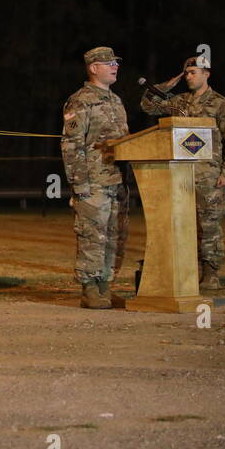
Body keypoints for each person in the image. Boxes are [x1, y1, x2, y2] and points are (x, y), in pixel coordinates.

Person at [140, 55, 225, 291]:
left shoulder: (221, 104)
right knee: (182, 225)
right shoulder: (180, 101)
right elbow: (148, 106)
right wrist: (169, 84)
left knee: (209, 226)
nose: (189, 76)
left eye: (193, 72)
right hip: (179, 175)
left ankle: (211, 274)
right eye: (186, 73)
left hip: (209, 175)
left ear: (207, 74)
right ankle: (187, 272)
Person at [60, 47, 130, 309]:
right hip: (93, 181)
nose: (115, 66)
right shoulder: (80, 100)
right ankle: (89, 288)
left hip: (116, 181)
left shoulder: (116, 101)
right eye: (109, 63)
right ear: (93, 68)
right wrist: (79, 184)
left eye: (116, 62)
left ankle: (105, 286)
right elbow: (71, 145)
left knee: (114, 236)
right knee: (92, 236)